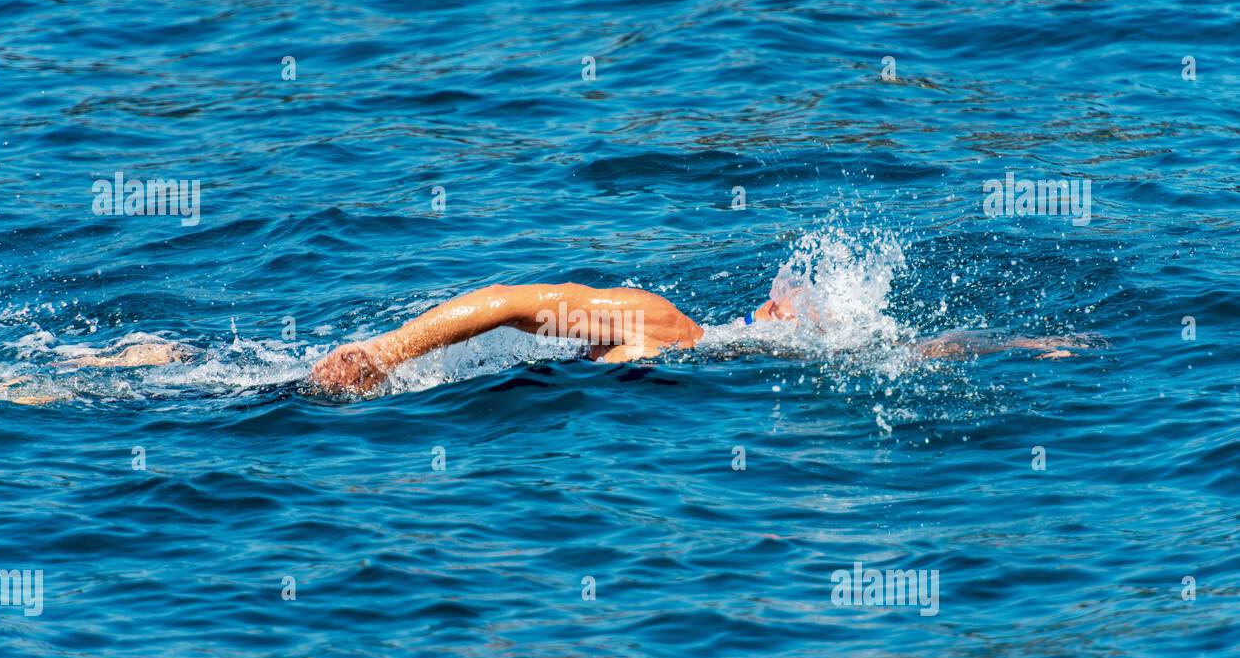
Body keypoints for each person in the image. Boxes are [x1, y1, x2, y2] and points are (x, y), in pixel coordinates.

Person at [308, 281, 1090, 394]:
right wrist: (386, 352)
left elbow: (909, 353)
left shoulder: (677, 337)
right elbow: (511, 301)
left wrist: (1022, 348)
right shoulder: (660, 326)